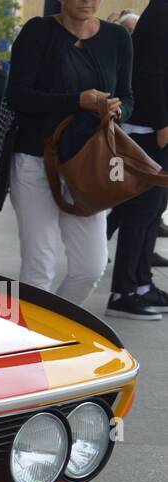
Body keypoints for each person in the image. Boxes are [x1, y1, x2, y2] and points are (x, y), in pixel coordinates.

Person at [0, 0, 132, 308]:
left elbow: (129, 95)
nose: (86, 1)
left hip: (88, 162)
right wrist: (77, 101)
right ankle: (36, 346)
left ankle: (56, 328)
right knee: (38, 268)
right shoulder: (37, 31)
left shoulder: (117, 38)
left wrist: (118, 109)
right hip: (34, 159)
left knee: (90, 267)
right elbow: (18, 96)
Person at [109, 0, 168, 318]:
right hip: (148, 129)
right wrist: (163, 123)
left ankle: (142, 284)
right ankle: (124, 291)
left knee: (153, 210)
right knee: (140, 211)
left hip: (153, 127)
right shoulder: (162, 10)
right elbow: (149, 72)